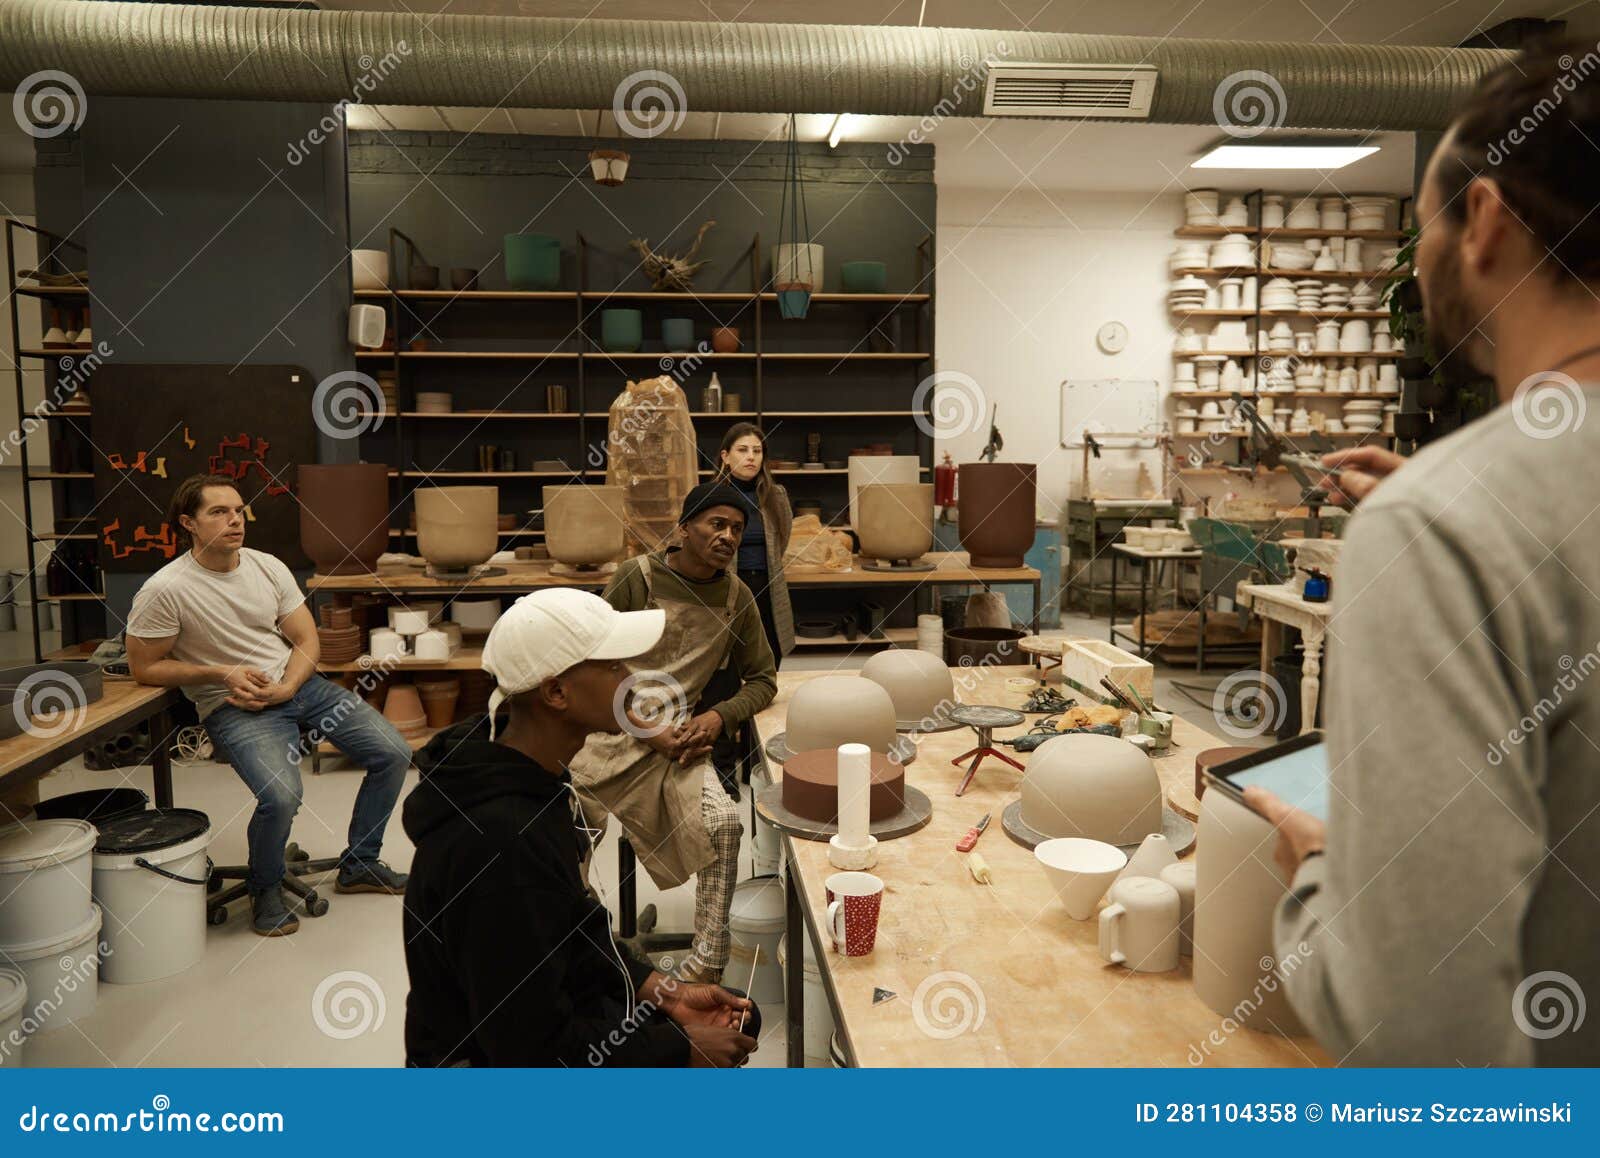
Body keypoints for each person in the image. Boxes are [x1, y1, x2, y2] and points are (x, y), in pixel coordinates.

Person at [1247, 41, 1600, 1065]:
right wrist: (1448, 506)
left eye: (1424, 226)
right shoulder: (1461, 517)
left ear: (1484, 222)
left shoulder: (1449, 529)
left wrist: (1318, 873)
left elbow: (1420, 1032)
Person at [401, 588, 760, 1067]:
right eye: (613, 666)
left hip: (557, 1014)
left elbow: (568, 930)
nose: (631, 677)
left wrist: (659, 991)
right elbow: (531, 1053)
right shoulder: (503, 843)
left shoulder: (532, 775)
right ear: (556, 693)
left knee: (741, 1017)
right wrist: (678, 1051)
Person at [126, 474, 410, 937]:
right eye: (218, 512)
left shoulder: (266, 566)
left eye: (238, 510)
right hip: (233, 704)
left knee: (393, 752)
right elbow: (145, 666)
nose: (235, 520)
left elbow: (304, 638)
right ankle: (266, 887)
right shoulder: (165, 589)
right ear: (188, 524)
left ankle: (360, 864)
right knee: (281, 796)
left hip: (299, 688)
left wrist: (288, 685)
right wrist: (220, 672)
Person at [571, 481, 778, 984]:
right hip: (610, 729)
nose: (727, 536)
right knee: (563, 827)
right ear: (684, 528)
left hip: (680, 744)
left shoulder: (736, 596)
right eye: (716, 524)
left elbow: (764, 679)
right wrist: (648, 731)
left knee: (726, 824)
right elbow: (592, 665)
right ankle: (582, 946)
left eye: (736, 529)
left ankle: (705, 964)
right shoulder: (635, 578)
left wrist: (717, 717)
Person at [712, 423, 795, 665]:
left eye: (757, 451)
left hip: (767, 586)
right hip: (726, 585)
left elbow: (783, 539)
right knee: (729, 655)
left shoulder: (776, 496)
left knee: (769, 653)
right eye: (743, 450)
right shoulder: (712, 495)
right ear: (725, 456)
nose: (751, 457)